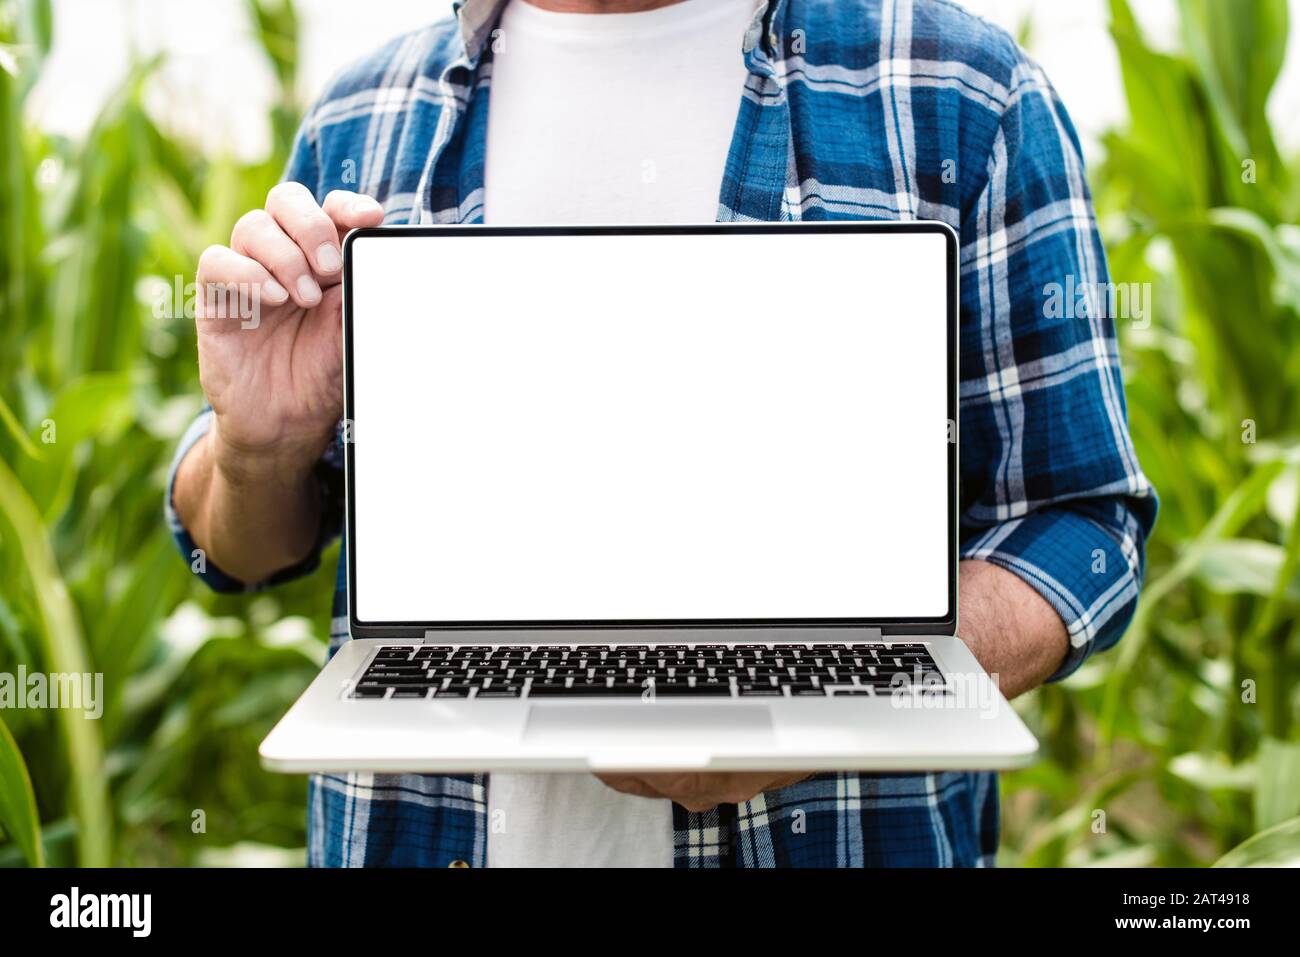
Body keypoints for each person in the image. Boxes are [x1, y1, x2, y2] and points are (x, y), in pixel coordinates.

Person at [168, 0, 1157, 867]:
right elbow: (247, 546)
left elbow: (1079, 521)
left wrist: (834, 695)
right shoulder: (363, 111)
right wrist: (256, 451)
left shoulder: (962, 91)